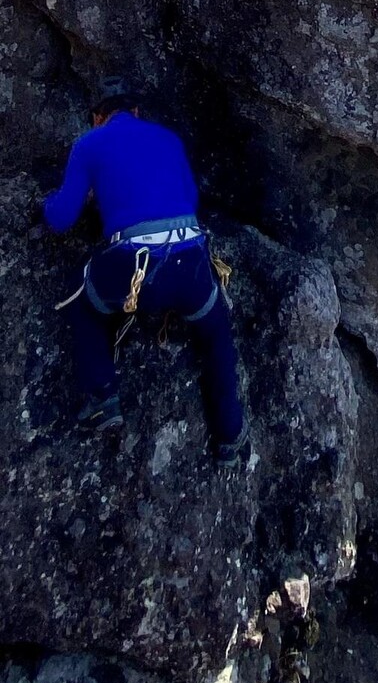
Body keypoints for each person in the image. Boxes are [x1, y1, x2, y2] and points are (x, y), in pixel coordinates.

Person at [44, 81, 248, 467]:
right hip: (190, 266)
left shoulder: (89, 144)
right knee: (217, 332)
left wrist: (53, 203)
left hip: (132, 269)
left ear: (97, 118)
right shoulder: (168, 139)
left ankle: (103, 398)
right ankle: (230, 435)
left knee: (82, 299)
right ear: (137, 112)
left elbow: (60, 218)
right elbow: (190, 201)